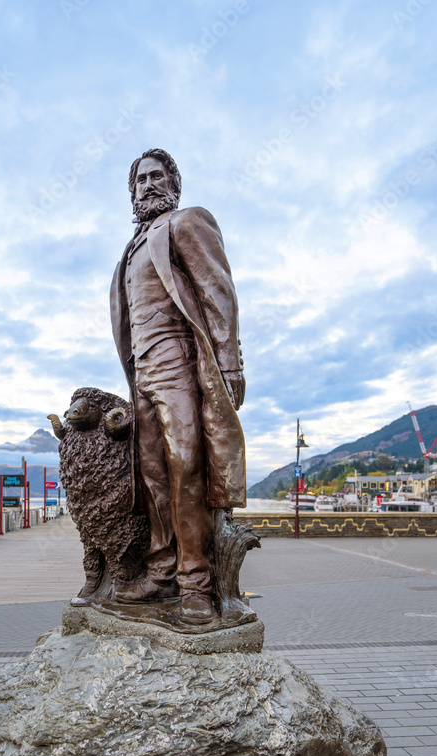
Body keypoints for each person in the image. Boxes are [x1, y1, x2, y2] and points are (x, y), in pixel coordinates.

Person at [109, 148, 246, 625]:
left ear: (173, 183)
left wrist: (229, 363)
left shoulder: (187, 223)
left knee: (186, 467)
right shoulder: (129, 250)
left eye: (156, 176)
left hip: (179, 363)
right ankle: (161, 571)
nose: (148, 184)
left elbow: (217, 290)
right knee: (152, 475)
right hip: (141, 373)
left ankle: (196, 584)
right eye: (140, 179)